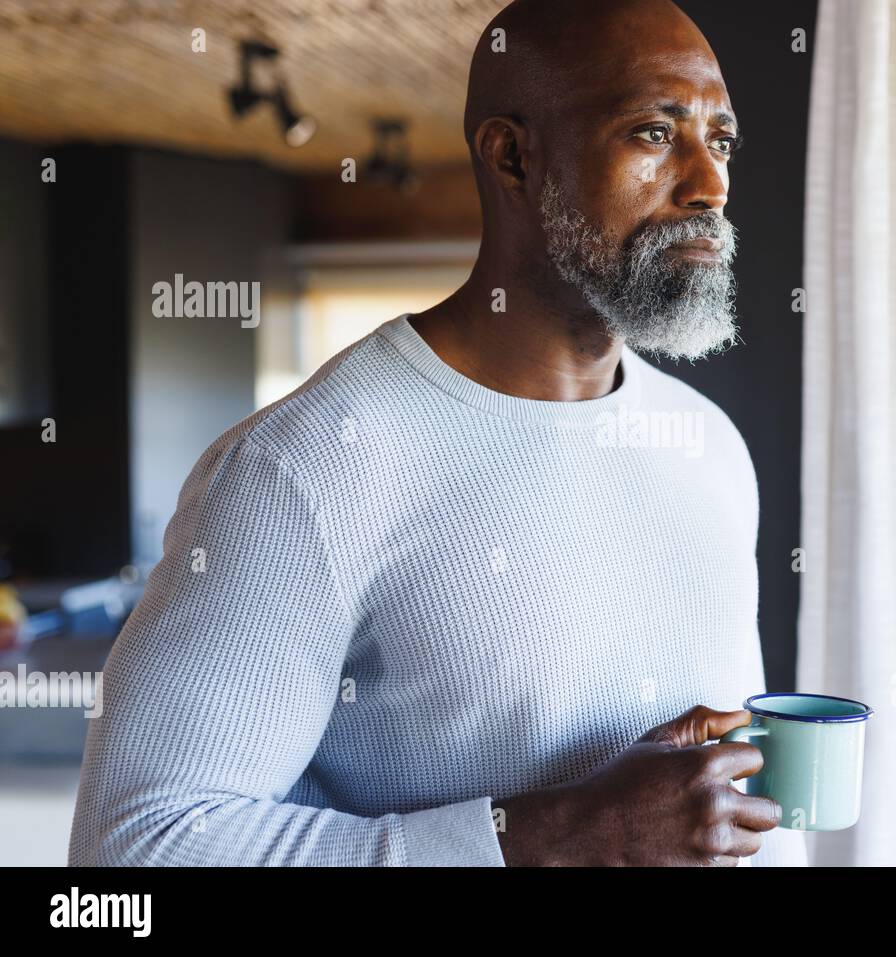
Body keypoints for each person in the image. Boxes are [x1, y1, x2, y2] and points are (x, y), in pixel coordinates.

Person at [69, 0, 806, 866]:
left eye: (719, 139)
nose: (709, 183)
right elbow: (134, 853)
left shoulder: (710, 446)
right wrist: (550, 838)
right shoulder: (300, 469)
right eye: (653, 132)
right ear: (513, 157)